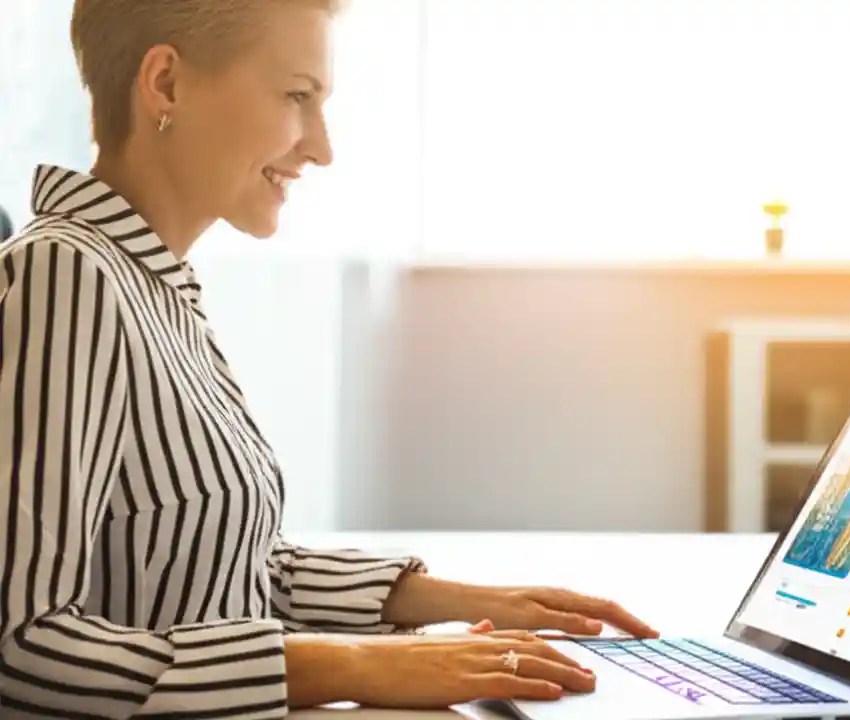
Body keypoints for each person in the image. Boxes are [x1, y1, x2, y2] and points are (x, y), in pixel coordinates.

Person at [0, 1, 656, 715]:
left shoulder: (152, 285)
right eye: (296, 96)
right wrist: (358, 664)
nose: (321, 147)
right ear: (165, 84)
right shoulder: (65, 275)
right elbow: (23, 643)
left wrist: (458, 600)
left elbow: (221, 570)